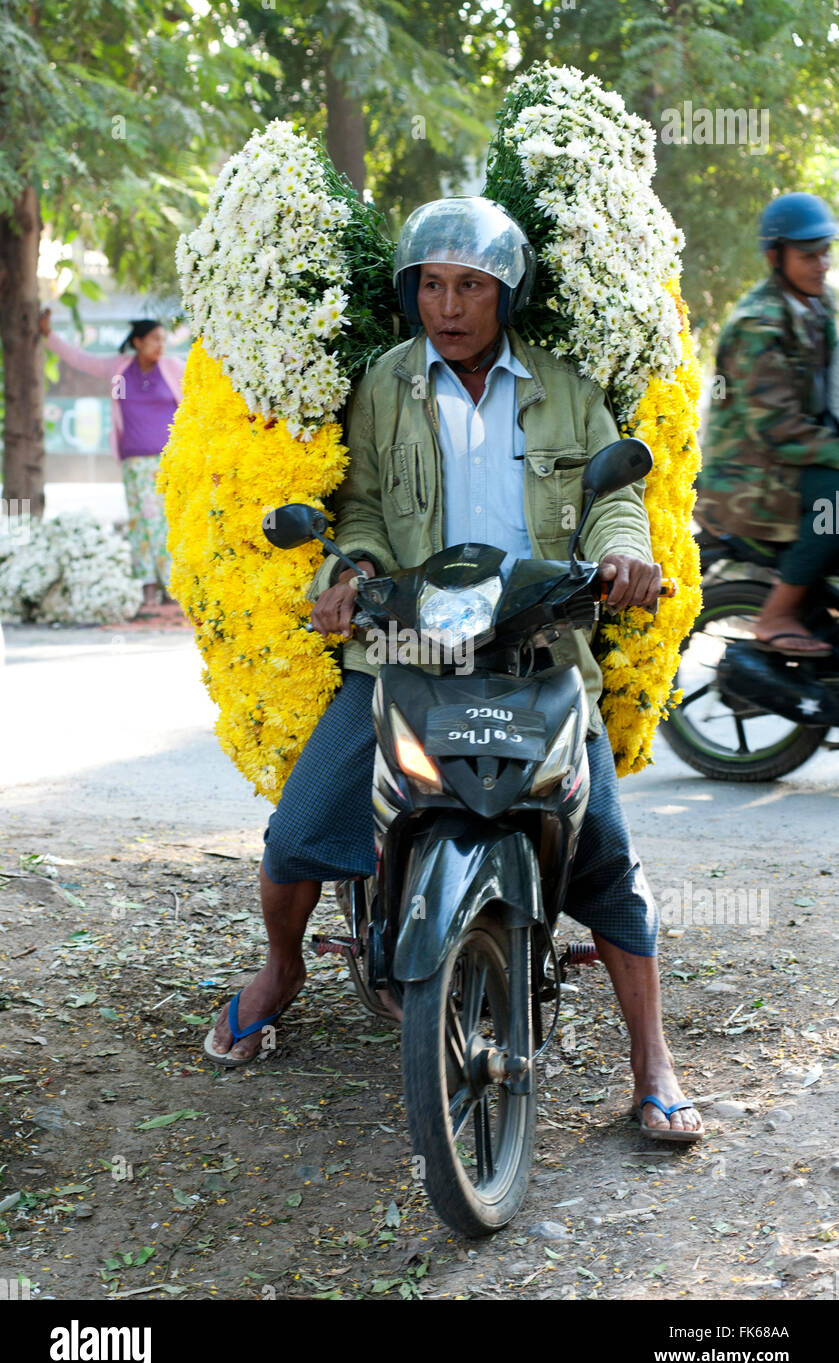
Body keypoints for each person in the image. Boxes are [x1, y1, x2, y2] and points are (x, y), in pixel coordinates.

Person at [206, 197, 704, 1143]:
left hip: (537, 642)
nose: (449, 304)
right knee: (297, 830)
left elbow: (613, 498)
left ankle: (652, 1060)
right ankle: (283, 969)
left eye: (470, 285)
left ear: (504, 294)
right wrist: (348, 569)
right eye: (431, 284)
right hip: (406, 644)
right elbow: (354, 504)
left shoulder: (563, 388)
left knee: (605, 852)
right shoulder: (383, 384)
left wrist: (623, 557)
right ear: (411, 293)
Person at [696, 192, 839, 655]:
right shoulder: (758, 323)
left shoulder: (820, 306)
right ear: (775, 256)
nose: (820, 264)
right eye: (808, 255)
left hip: (795, 456)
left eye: (825, 252)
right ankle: (776, 613)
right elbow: (778, 431)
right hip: (751, 474)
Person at [40, 310, 185, 609]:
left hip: (169, 462)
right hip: (134, 461)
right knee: (140, 523)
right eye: (155, 339)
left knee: (163, 521)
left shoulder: (172, 368)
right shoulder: (119, 369)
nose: (161, 345)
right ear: (138, 341)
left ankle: (171, 586)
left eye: (163, 340)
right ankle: (148, 587)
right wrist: (48, 336)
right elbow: (80, 360)